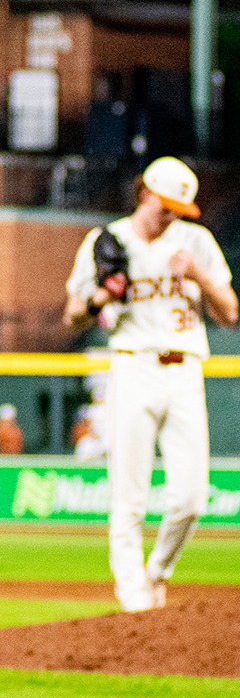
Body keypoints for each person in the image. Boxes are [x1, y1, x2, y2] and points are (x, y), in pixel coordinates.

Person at [64, 158, 238, 612]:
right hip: (133, 367)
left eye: (179, 209)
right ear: (145, 193)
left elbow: (230, 312)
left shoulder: (195, 241)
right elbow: (72, 315)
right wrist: (101, 297)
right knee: (129, 498)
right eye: (166, 207)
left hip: (185, 370)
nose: (171, 216)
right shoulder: (107, 240)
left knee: (191, 498)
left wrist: (198, 275)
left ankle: (157, 570)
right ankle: (134, 599)